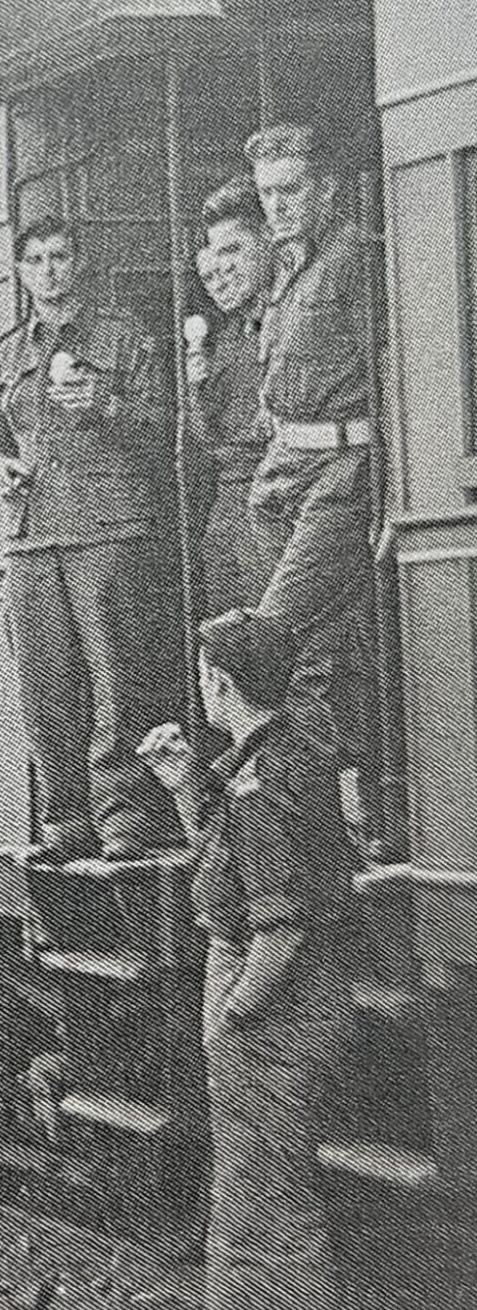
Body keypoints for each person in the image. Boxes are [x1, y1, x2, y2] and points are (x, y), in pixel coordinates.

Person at [139, 610, 365, 1310]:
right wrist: (181, 786)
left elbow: (279, 927)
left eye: (204, 674)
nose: (200, 686)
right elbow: (228, 864)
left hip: (273, 1006)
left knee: (274, 1212)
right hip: (268, 994)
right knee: (239, 1208)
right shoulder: (267, 764)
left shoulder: (267, 782)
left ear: (222, 686)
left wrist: (235, 1012)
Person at [0, 216, 177, 861]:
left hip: (110, 528)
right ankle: (64, 823)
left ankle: (123, 823)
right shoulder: (8, 352)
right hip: (32, 536)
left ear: (80, 264)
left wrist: (105, 404)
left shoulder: (124, 340)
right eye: (34, 260)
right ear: (20, 272)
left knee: (117, 681)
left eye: (59, 257)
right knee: (46, 686)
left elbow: (170, 431)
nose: (48, 271)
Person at [245, 124, 382, 837]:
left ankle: (299, 825)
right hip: (285, 477)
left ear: (325, 188)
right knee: (317, 658)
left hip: (340, 472)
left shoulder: (353, 258)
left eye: (291, 190)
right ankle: (339, 824)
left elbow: (389, 368)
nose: (278, 207)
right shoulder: (286, 267)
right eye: (267, 194)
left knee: (266, 642)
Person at [186, 184, 276, 617]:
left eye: (233, 252)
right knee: (234, 640)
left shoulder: (288, 322)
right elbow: (206, 440)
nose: (221, 272)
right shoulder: (224, 341)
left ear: (267, 242)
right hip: (229, 505)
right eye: (210, 267)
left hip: (277, 494)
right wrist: (196, 389)